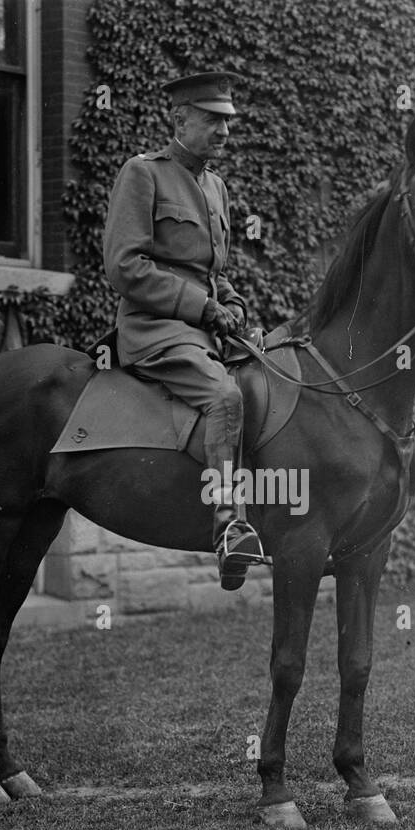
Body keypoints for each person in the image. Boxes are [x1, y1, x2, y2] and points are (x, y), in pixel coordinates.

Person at [102, 70, 263, 590]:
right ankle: (228, 526)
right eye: (213, 120)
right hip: (156, 330)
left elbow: (213, 272)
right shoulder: (142, 174)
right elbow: (124, 267)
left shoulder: (216, 186)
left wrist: (230, 302)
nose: (224, 132)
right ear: (179, 118)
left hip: (205, 328)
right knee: (224, 398)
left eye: (228, 122)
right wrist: (201, 307)